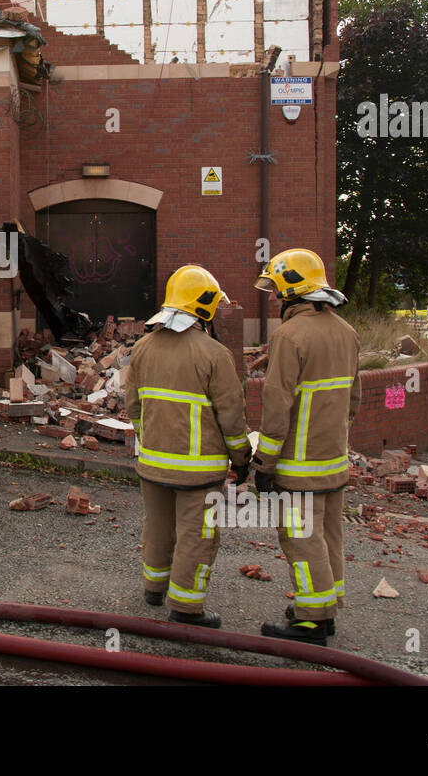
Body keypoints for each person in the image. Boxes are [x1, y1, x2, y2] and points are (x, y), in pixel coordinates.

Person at [124, 265, 251, 628]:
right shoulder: (215, 354)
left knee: (158, 527)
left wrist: (149, 438)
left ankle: (154, 588)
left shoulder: (143, 347)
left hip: (151, 464)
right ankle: (186, 607)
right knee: (197, 536)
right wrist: (242, 460)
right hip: (198, 470)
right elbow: (232, 416)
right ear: (205, 307)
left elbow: (133, 405)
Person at [251, 248, 360, 644]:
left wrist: (264, 462)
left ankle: (311, 621)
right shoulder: (346, 331)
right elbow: (355, 398)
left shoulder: (288, 336)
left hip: (299, 465)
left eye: (278, 292)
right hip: (334, 461)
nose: (275, 299)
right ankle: (325, 608)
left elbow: (277, 404)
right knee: (329, 534)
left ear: (294, 291)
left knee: (300, 537)